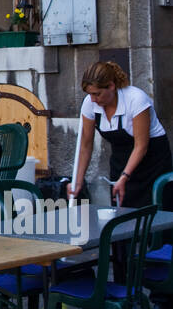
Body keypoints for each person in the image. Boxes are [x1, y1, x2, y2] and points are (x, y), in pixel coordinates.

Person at [68, 61, 171, 208]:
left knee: (156, 212)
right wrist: (77, 180)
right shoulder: (90, 104)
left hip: (152, 162)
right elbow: (85, 145)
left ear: (111, 86)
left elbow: (141, 146)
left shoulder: (136, 99)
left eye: (97, 94)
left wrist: (125, 176)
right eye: (90, 94)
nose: (93, 99)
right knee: (123, 213)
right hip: (120, 160)